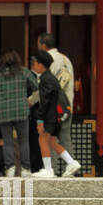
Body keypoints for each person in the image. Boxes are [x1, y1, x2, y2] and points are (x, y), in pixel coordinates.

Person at [29, 49, 80, 178]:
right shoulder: (51, 78)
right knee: (52, 141)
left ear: (41, 65)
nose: (33, 66)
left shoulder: (45, 80)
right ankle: (71, 162)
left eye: (34, 63)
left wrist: (40, 119)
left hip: (50, 116)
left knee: (42, 139)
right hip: (57, 115)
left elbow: (44, 101)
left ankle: (48, 169)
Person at [0, 50, 37, 180]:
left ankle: (10, 168)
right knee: (24, 141)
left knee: (7, 142)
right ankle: (26, 169)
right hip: (21, 110)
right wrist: (30, 100)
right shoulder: (24, 72)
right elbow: (36, 86)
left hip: (4, 112)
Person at [36, 30, 75, 175]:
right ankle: (70, 168)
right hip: (67, 105)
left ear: (43, 45)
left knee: (48, 136)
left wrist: (31, 101)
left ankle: (50, 169)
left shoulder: (49, 60)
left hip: (54, 107)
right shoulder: (66, 59)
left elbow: (47, 87)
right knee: (65, 138)